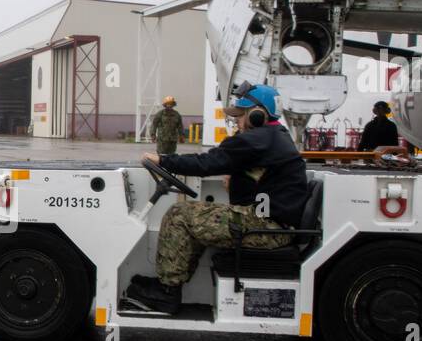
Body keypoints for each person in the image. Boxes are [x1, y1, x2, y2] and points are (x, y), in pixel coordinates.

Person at [128, 84, 310, 314]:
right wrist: (236, 178)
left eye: (240, 116)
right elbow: (256, 173)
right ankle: (169, 284)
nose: (236, 122)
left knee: (180, 215)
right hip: (272, 223)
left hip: (266, 228)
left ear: (257, 115)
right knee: (197, 217)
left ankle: (167, 293)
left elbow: (208, 163)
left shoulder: (257, 138)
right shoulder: (273, 137)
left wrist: (163, 160)